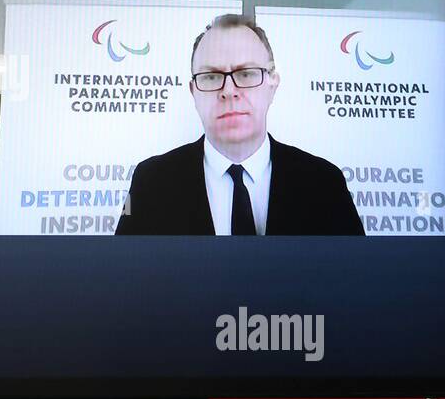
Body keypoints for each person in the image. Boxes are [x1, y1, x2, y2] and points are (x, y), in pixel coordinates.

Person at [115, 13, 364, 236]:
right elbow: (126, 279)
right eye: (211, 76)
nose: (229, 90)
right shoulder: (151, 182)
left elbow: (357, 281)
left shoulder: (324, 183)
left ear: (272, 85)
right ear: (193, 92)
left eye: (246, 73)